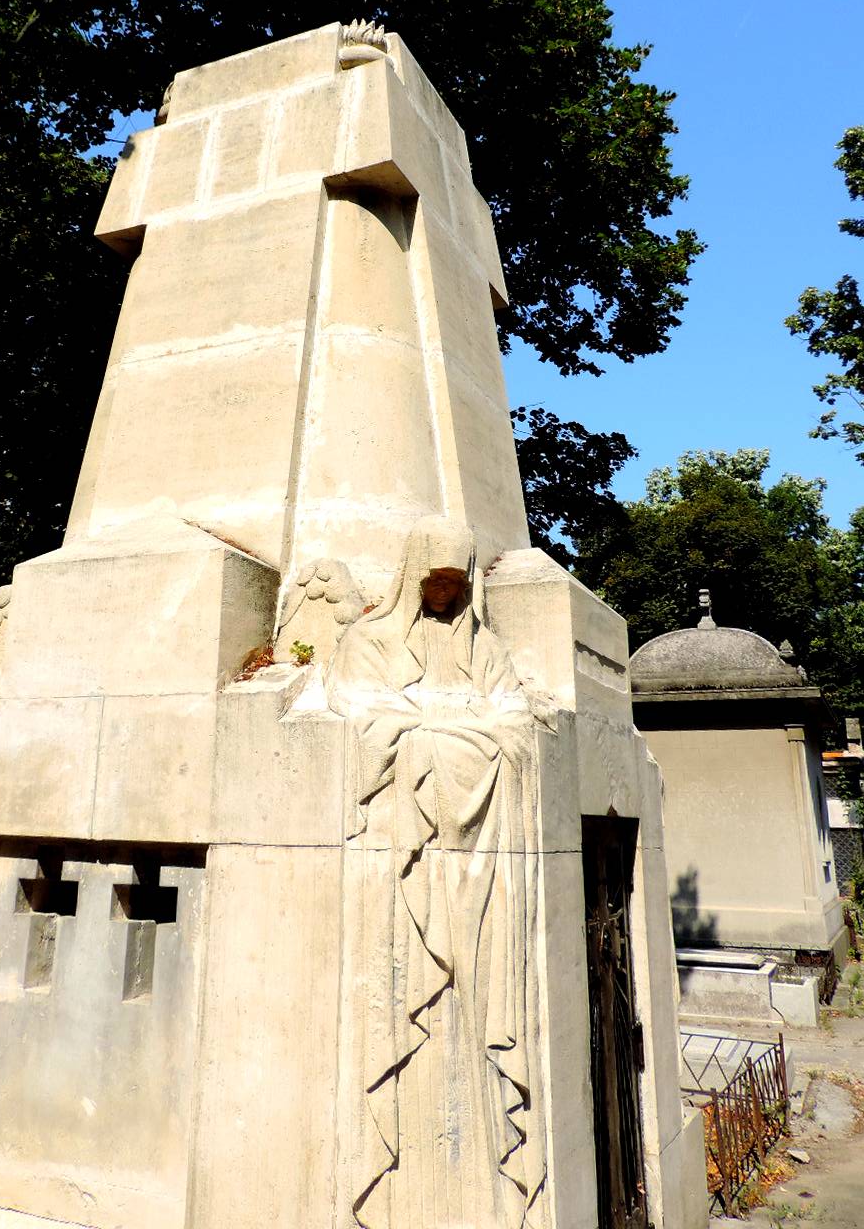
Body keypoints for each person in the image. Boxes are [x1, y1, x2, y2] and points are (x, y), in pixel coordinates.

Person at [328, 516, 548, 1229]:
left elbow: (515, 723)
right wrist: (462, 727)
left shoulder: (484, 645)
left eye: (458, 586)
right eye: (436, 584)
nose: (447, 598)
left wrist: (444, 724)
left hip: (482, 858)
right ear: (411, 578)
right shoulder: (369, 641)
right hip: (413, 847)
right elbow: (370, 717)